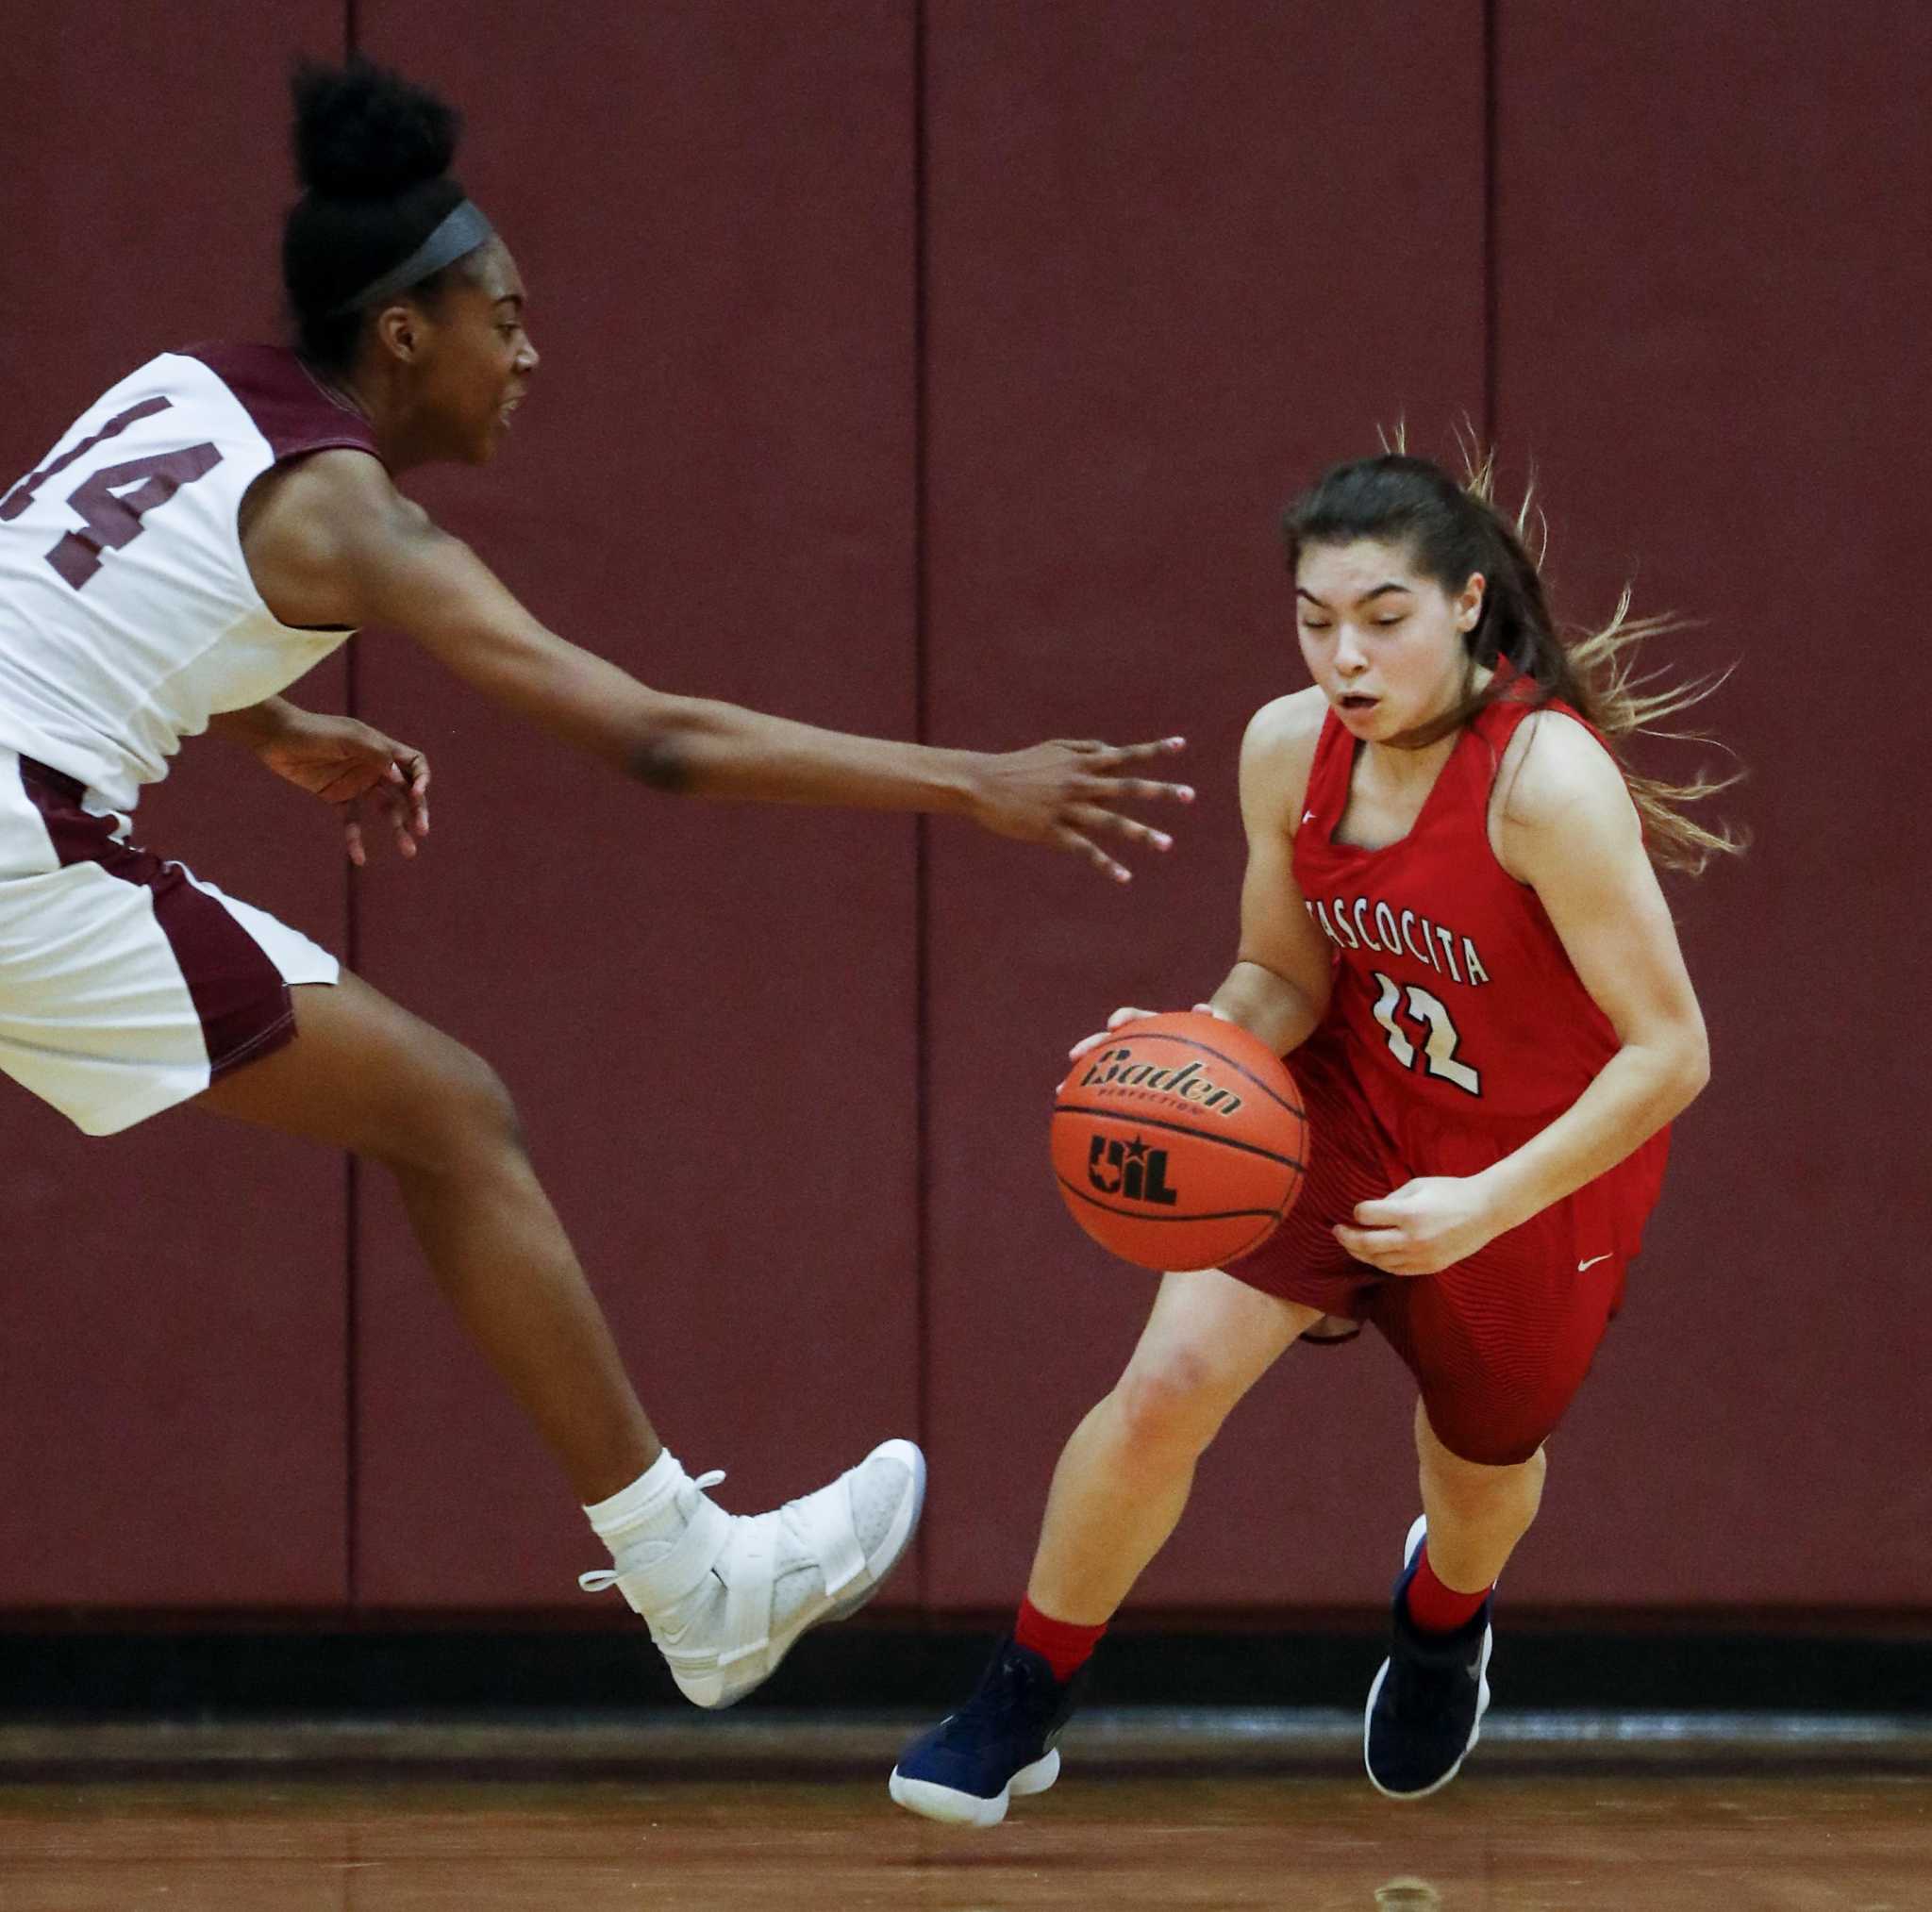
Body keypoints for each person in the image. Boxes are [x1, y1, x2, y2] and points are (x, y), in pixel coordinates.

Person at [0, 58, 1193, 1712]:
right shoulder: (356, 521)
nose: (530, 352)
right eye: (506, 314)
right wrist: (970, 781)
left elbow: (53, 584)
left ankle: (687, 1576)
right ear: (406, 331)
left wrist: (261, 717)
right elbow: (656, 741)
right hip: (21, 848)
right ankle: (691, 1580)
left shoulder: (182, 386)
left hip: (27, 800)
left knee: (442, 1112)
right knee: (453, 1114)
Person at [890, 451, 1740, 1823]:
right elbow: (1281, 978)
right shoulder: (1287, 746)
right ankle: (1020, 1700)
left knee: (1479, 1475)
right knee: (1164, 1389)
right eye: (1314, 618)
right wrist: (1200, 1049)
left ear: (1467, 604)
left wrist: (1484, 1201)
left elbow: (1673, 1052)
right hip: (1339, 1114)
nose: (1344, 653)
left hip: (1534, 1164)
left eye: (1383, 618)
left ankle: (1443, 1620)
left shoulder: (1545, 784)